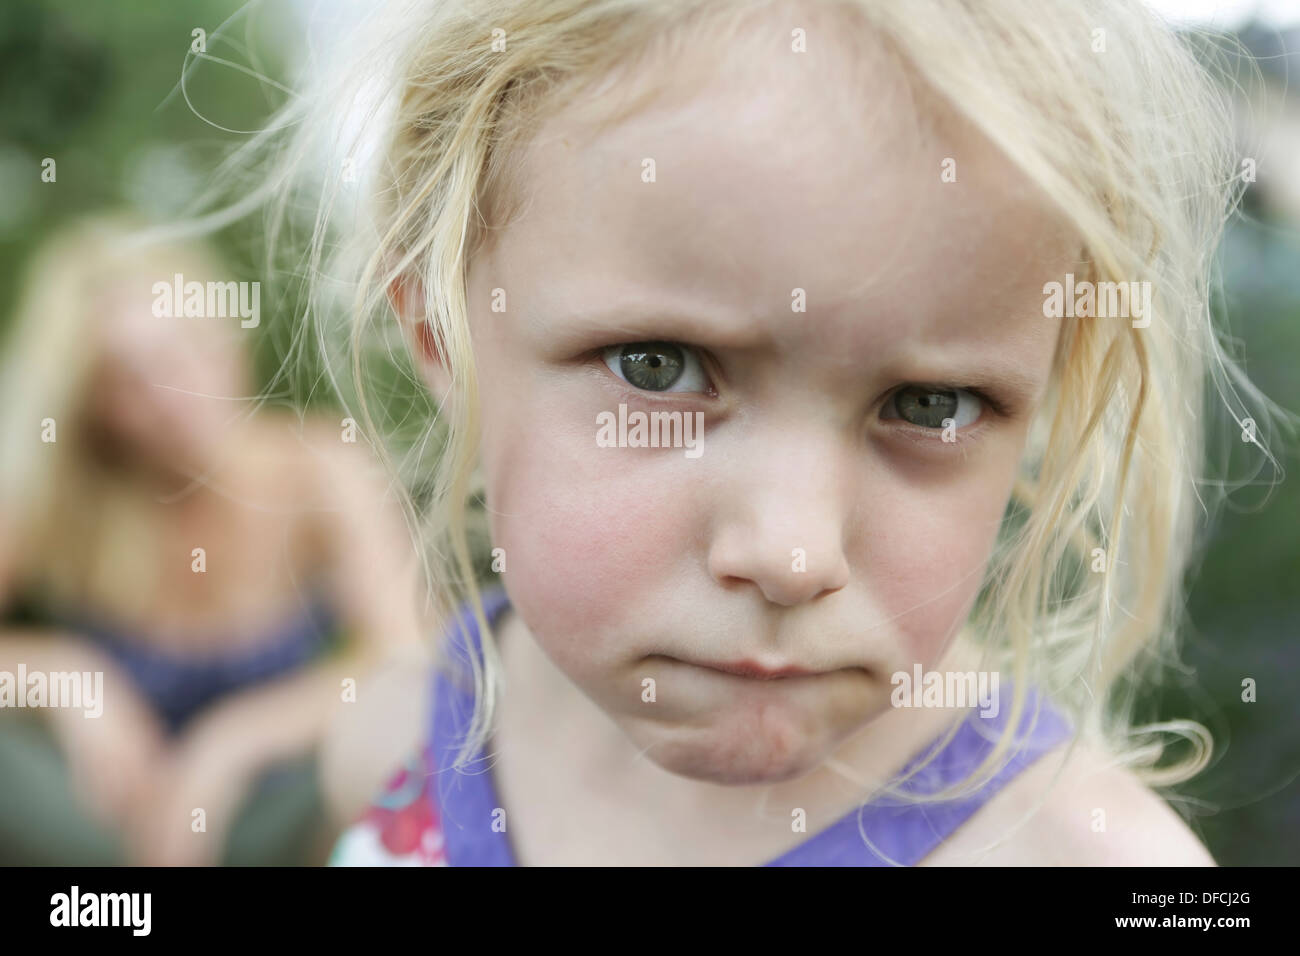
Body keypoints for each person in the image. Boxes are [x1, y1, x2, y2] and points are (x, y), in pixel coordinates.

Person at [209, 0, 1291, 864]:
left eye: (928, 405)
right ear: (444, 336)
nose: (790, 554)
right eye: (658, 366)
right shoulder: (402, 746)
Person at [0, 216, 429, 865]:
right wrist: (63, 677)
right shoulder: (58, 498)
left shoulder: (318, 465)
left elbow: (407, 652)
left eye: (185, 349)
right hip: (109, 825)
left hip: (281, 813)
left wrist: (232, 742)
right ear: (91, 409)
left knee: (408, 742)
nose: (172, 394)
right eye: (130, 379)